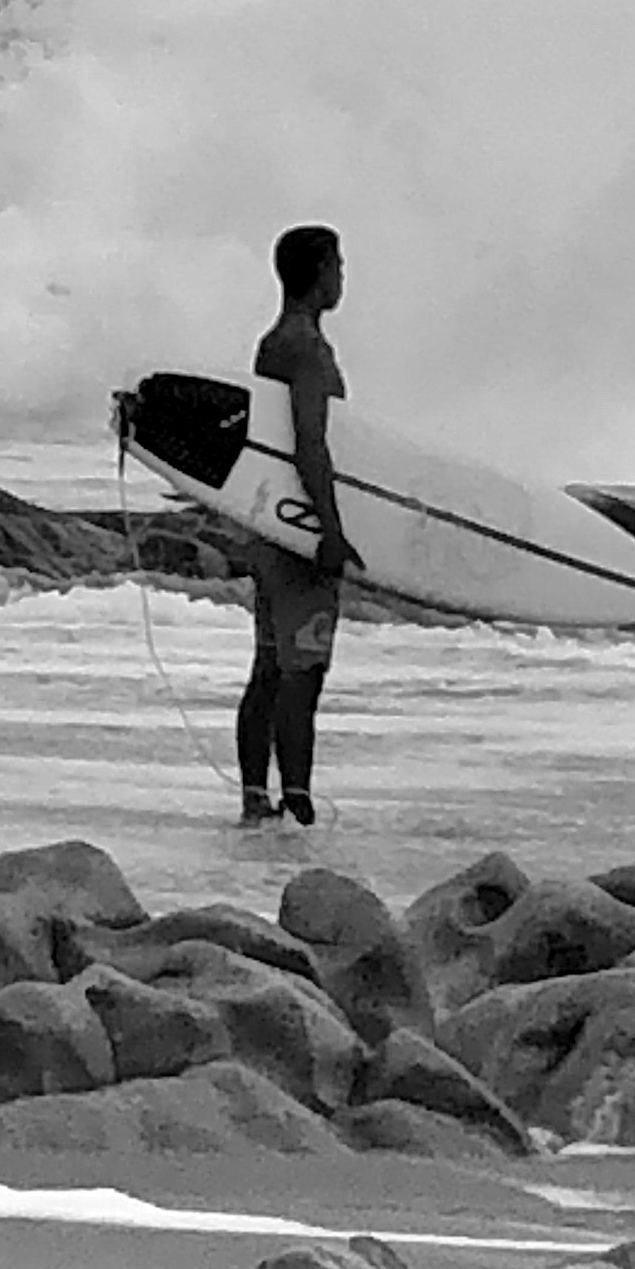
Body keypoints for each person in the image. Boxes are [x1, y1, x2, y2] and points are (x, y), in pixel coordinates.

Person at [237, 223, 356, 828]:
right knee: (303, 670)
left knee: (268, 664)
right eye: (337, 263)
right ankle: (300, 803)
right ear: (318, 273)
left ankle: (257, 799)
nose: (344, 274)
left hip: (270, 522)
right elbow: (311, 443)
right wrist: (331, 532)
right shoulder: (308, 349)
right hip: (303, 529)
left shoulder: (271, 343)